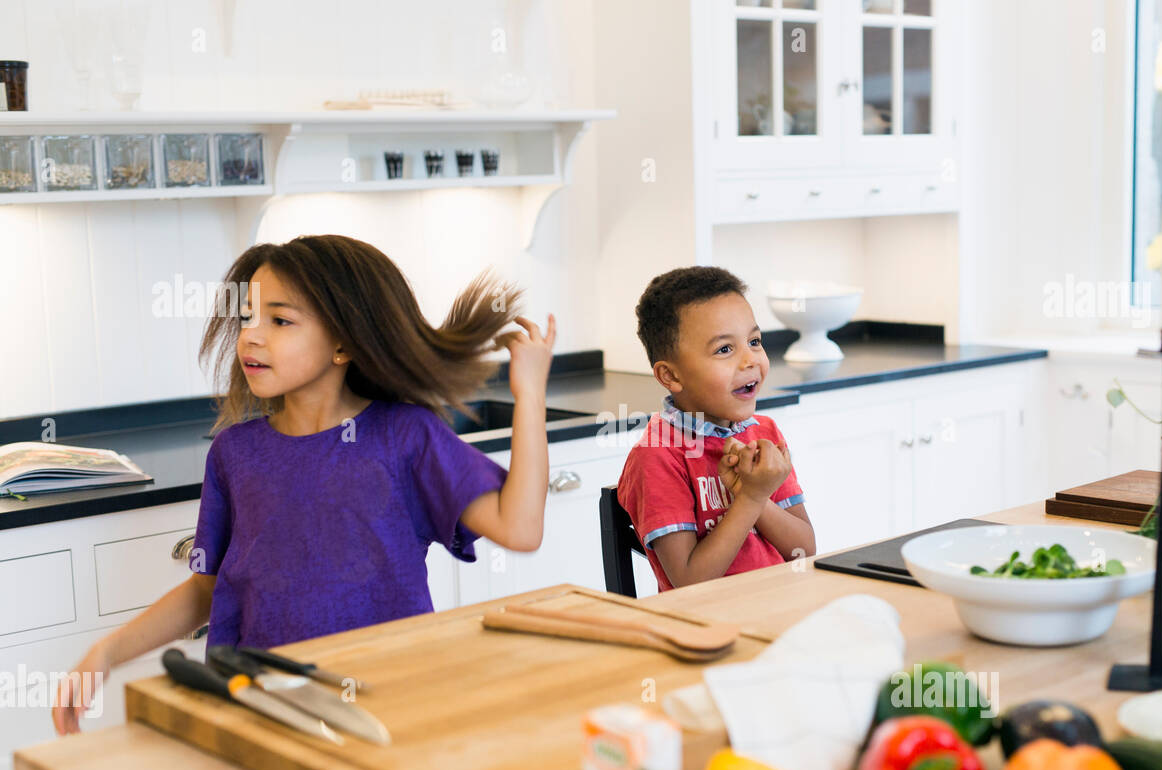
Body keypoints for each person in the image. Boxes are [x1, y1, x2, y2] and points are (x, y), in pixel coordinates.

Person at [53, 234, 555, 733]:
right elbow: (206, 590)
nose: (250, 335)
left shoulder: (406, 437)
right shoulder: (234, 453)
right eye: (247, 316)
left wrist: (529, 393)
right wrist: (107, 652)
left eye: (280, 320)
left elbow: (521, 527)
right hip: (265, 712)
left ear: (343, 344)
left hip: (391, 706)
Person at [616, 266, 815, 591]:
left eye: (754, 341)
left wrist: (758, 495)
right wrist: (749, 497)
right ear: (671, 376)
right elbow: (690, 582)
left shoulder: (764, 433)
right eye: (725, 349)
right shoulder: (657, 456)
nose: (749, 359)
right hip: (706, 627)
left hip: (779, 606)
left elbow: (803, 551)